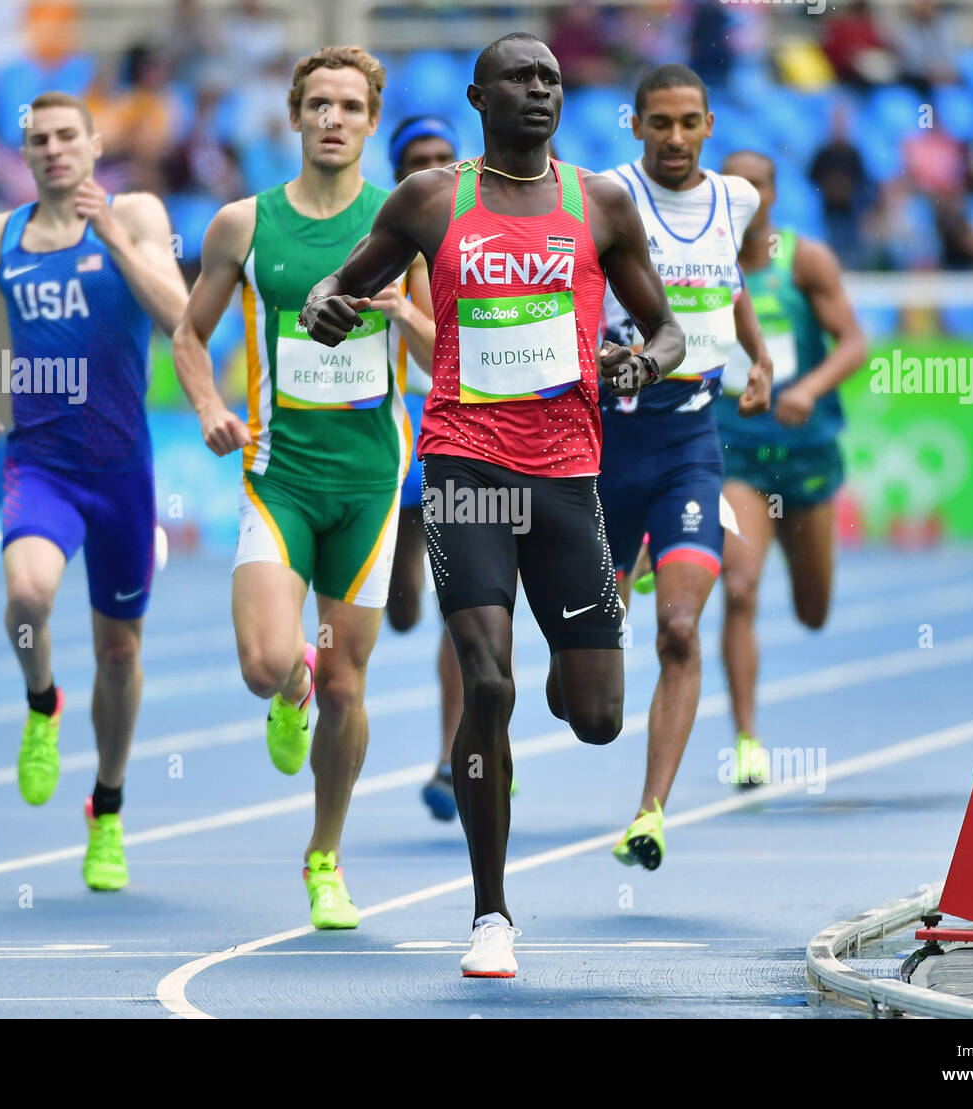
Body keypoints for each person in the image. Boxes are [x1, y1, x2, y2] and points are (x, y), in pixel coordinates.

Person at [300, 33, 742, 977]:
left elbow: (667, 331)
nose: (539, 91)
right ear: (478, 96)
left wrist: (639, 359)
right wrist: (325, 305)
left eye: (550, 79)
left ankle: (565, 659)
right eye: (519, 78)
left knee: (595, 717)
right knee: (487, 684)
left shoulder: (601, 203)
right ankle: (491, 912)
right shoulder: (432, 200)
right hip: (466, 467)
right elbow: (342, 285)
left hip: (569, 476)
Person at [171, 46, 429, 929]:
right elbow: (186, 334)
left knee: (351, 684)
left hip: (368, 483)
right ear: (294, 116)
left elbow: (446, 354)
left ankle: (325, 856)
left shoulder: (403, 225)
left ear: (370, 120)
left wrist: (405, 313)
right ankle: (291, 692)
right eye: (318, 104)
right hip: (278, 478)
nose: (332, 118)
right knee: (265, 663)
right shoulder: (243, 225)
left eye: (349, 106)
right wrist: (208, 404)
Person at [0, 91, 189, 890]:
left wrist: (117, 241)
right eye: (39, 139)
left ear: (94, 144)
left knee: (119, 650)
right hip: (41, 465)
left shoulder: (136, 214)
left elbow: (182, 319)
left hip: (122, 473)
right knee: (29, 597)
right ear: (26, 155)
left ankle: (106, 807)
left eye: (68, 135)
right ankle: (42, 703)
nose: (54, 148)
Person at [594, 65, 773, 874]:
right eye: (658, 123)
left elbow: (729, 287)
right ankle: (599, 620)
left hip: (690, 440)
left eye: (688, 123)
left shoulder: (736, 198)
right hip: (602, 441)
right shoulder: (604, 195)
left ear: (708, 125)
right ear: (635, 125)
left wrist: (759, 356)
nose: (673, 138)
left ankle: (651, 811)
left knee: (677, 629)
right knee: (583, 685)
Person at [715, 150, 868, 787]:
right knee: (740, 587)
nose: (748, 195)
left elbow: (856, 342)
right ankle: (747, 740)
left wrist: (808, 388)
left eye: (759, 185)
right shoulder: (701, 262)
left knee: (813, 611)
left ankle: (804, 602)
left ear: (775, 194)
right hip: (736, 456)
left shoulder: (806, 260)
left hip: (805, 459)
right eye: (735, 186)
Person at [380, 115, 470, 821]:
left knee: (460, 605)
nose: (434, 167)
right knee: (403, 608)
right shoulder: (383, 237)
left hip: (460, 431)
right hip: (393, 430)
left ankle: (455, 754)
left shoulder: (479, 237)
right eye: (419, 159)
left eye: (445, 156)